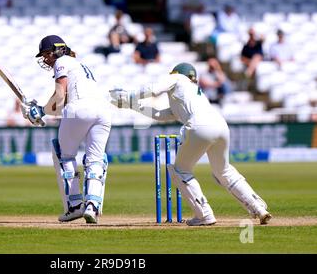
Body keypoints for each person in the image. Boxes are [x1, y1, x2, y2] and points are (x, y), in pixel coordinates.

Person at [109, 62, 272, 226]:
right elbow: (159, 114)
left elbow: (153, 90)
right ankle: (258, 208)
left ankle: (204, 214)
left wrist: (128, 96)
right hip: (221, 125)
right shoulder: (191, 94)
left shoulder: (178, 78)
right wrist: (130, 104)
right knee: (224, 170)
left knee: (180, 170)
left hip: (199, 126)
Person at [20, 35, 112, 224]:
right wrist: (42, 111)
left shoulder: (61, 62)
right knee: (95, 159)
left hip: (79, 108)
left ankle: (75, 206)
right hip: (103, 111)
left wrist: (39, 112)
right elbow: (63, 104)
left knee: (65, 154)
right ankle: (92, 206)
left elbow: (60, 97)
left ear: (58, 49)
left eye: (47, 53)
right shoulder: (79, 65)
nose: (46, 59)